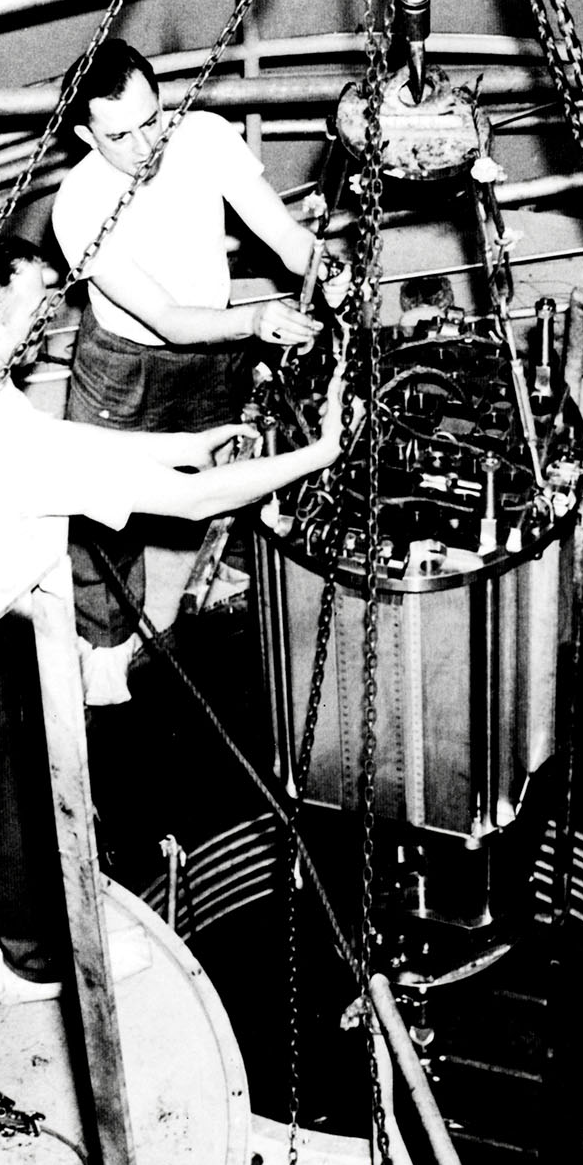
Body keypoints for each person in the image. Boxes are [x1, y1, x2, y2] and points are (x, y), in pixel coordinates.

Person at [0, 232, 345, 1001]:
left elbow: (64, 442)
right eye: (36, 303)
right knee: (24, 803)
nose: (48, 321)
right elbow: (192, 504)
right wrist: (317, 455)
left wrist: (187, 443)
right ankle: (32, 964)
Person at [49, 38, 344, 698]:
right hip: (126, 362)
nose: (145, 143)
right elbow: (166, 320)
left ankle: (242, 570)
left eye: (153, 119)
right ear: (85, 134)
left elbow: (284, 235)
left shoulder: (205, 138)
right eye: (121, 134)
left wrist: (322, 265)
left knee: (238, 459)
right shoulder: (77, 205)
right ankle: (104, 637)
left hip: (214, 354)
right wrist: (256, 320)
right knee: (101, 506)